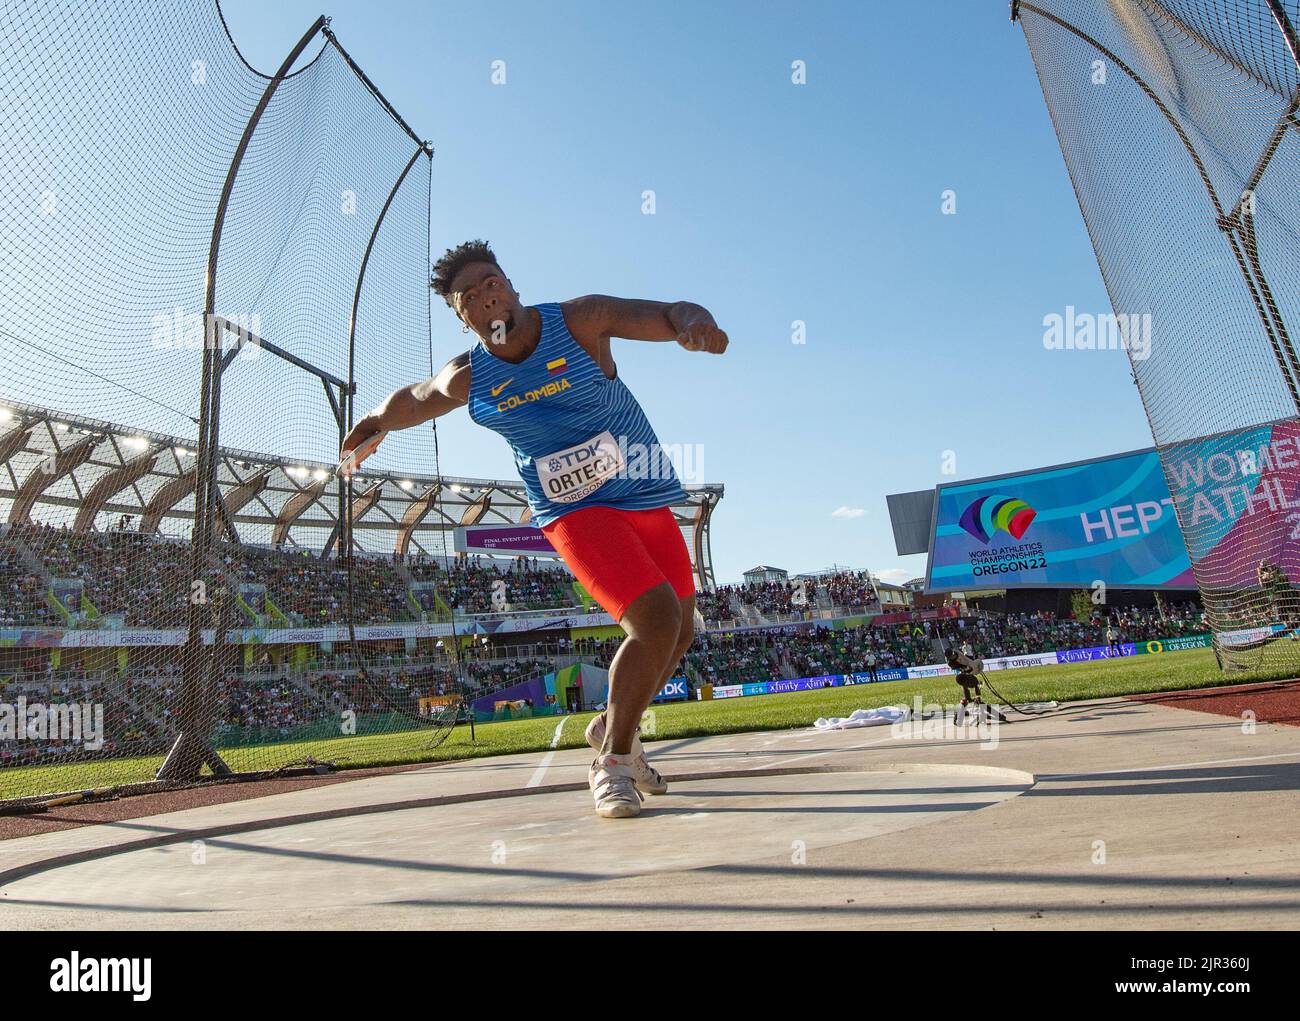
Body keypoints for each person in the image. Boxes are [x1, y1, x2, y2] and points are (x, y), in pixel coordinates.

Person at [340, 240, 728, 818]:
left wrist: (695, 322)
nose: (484, 295)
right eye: (467, 296)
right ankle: (614, 765)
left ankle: (612, 728)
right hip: (574, 509)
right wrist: (374, 422)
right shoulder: (468, 377)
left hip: (642, 490)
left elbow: (667, 314)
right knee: (655, 620)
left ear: (513, 287)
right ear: (462, 317)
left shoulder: (580, 320)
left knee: (681, 632)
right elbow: (415, 400)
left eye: (491, 281)